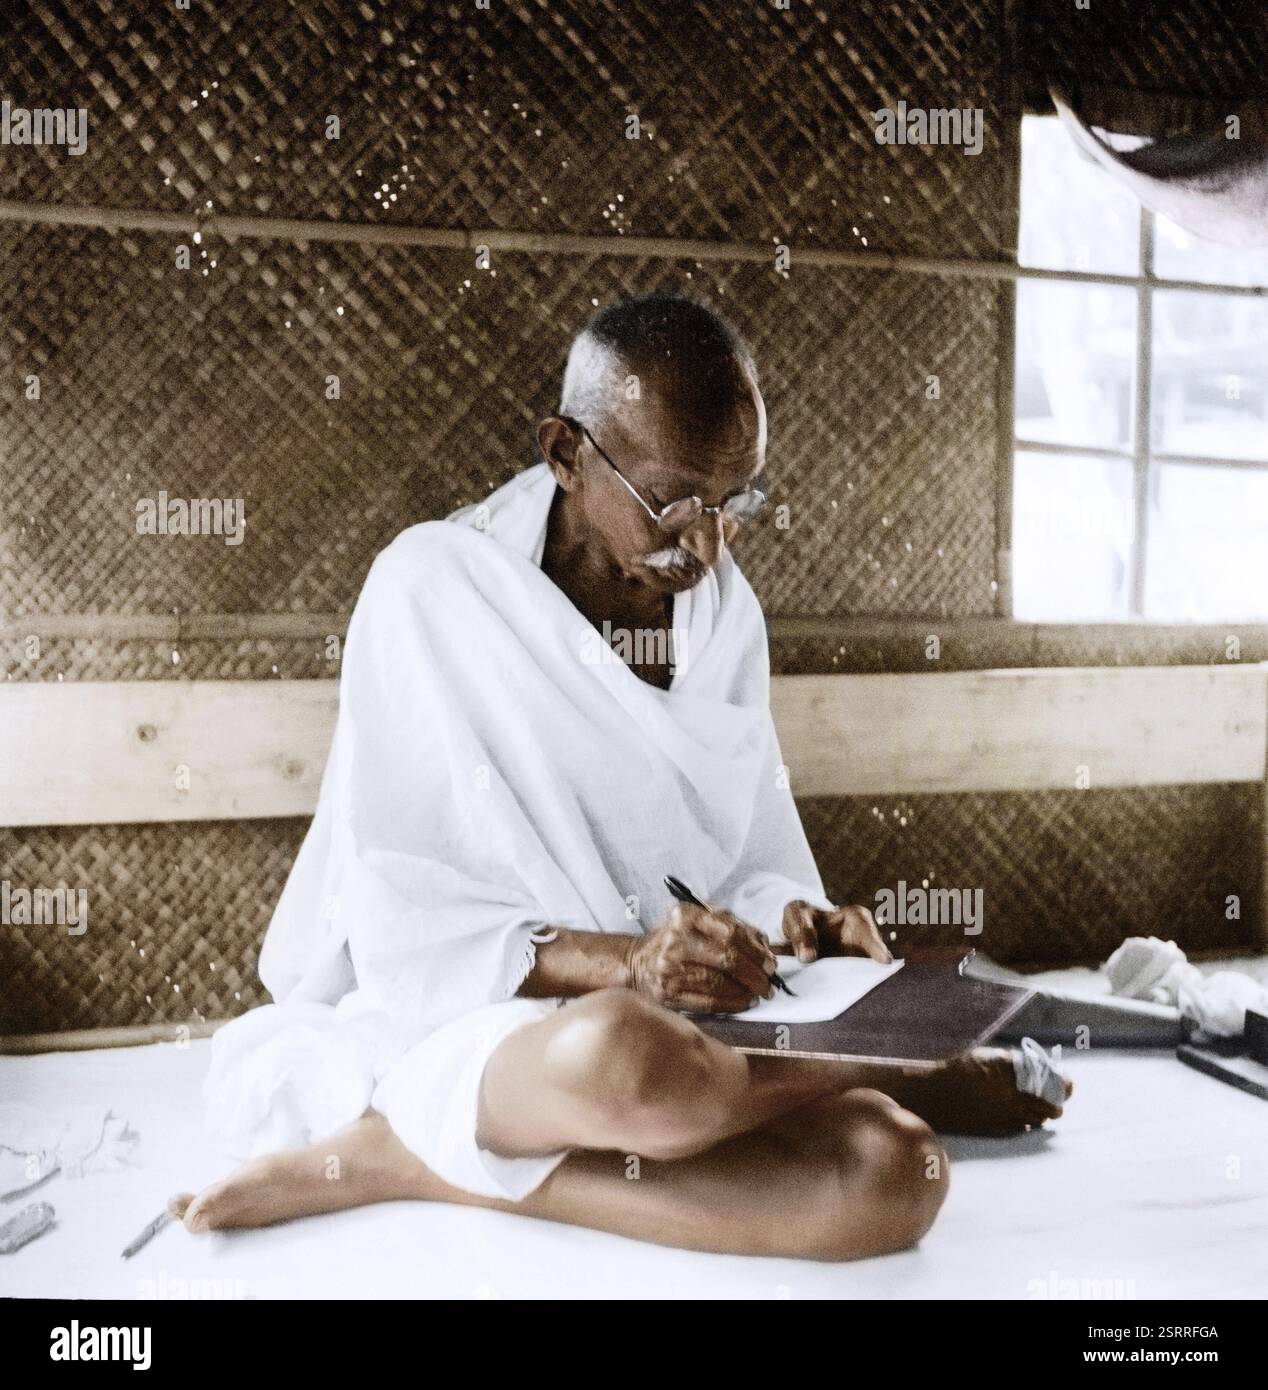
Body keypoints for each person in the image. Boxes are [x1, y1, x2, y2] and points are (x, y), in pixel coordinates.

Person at [181, 291, 1069, 1261]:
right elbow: (410, 927)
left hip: (693, 1035)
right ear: (564, 452)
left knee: (895, 1177)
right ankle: (898, 1062)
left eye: (736, 504)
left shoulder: (721, 612)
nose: (706, 545)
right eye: (672, 504)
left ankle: (415, 1162)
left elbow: (742, 856)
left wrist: (793, 926)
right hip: (498, 1029)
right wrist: (630, 962)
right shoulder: (430, 590)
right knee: (623, 1056)